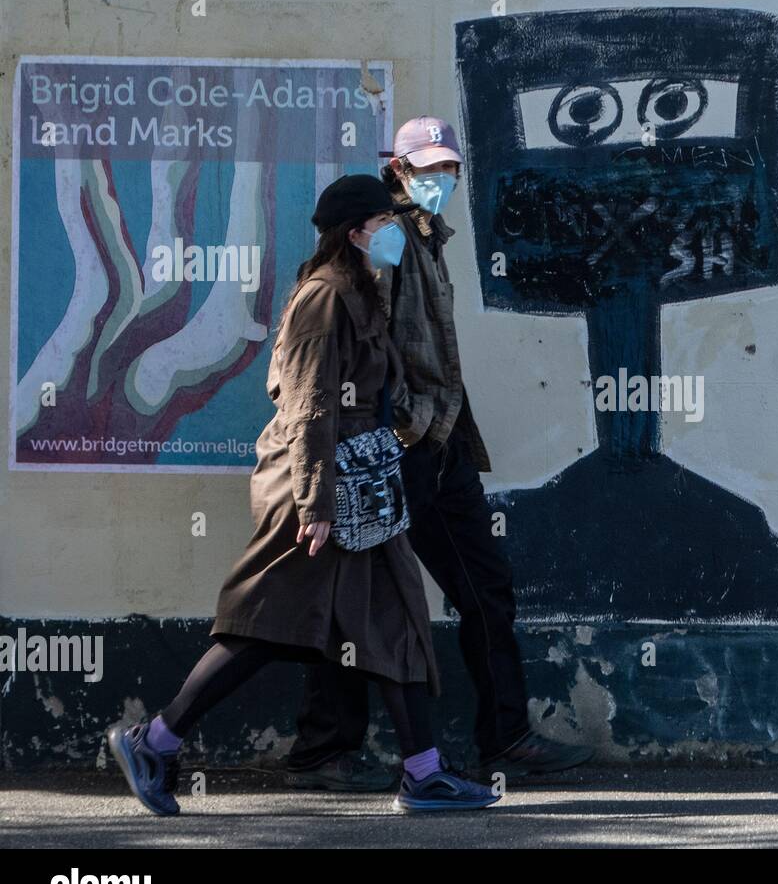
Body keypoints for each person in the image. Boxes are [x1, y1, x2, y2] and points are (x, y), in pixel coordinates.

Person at [106, 174, 498, 816]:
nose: (396, 232)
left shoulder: (363, 294)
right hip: (313, 486)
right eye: (385, 223)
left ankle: (424, 774)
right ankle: (154, 740)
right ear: (356, 232)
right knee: (265, 621)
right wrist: (315, 506)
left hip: (360, 485)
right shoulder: (325, 299)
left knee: (396, 616)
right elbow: (308, 406)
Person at [284, 117, 593, 790]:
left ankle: (503, 736)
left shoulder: (426, 235)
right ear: (395, 168)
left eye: (449, 168)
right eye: (426, 168)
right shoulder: (388, 233)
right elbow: (367, 332)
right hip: (401, 445)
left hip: (441, 441)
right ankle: (324, 749)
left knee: (484, 586)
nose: (440, 180)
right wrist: (399, 427)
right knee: (354, 597)